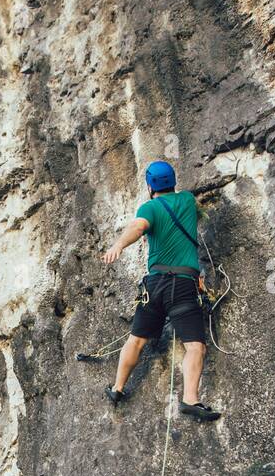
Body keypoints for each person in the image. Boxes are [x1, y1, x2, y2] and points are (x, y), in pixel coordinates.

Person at [92, 160, 220, 422]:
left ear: (150, 186)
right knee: (195, 346)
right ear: (173, 181)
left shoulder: (149, 207)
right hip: (184, 286)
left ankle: (117, 388)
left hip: (155, 285)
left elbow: (139, 227)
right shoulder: (187, 200)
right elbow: (198, 213)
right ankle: (190, 400)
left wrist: (118, 245)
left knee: (136, 340)